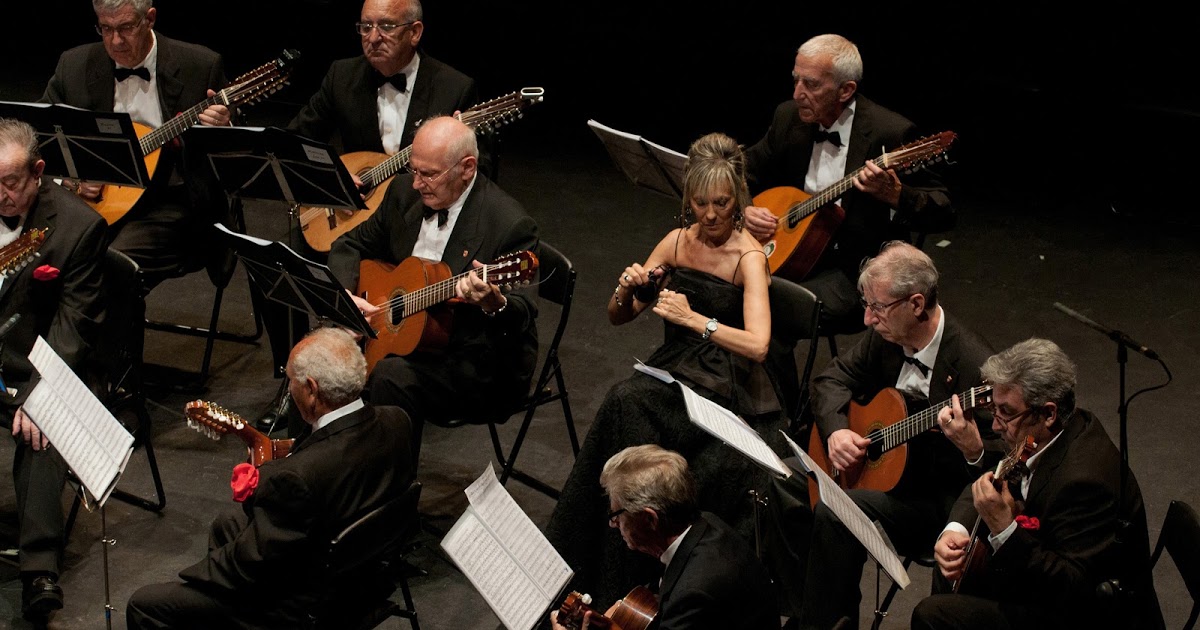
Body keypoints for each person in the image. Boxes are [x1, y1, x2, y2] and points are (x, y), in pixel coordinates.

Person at [544, 132, 785, 610]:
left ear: (737, 198)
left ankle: (629, 573)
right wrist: (629, 288)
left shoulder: (749, 257)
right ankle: (585, 562)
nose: (711, 215)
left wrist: (696, 320)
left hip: (728, 385)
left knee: (629, 403)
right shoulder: (677, 241)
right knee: (623, 402)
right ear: (687, 199)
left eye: (721, 203)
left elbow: (757, 346)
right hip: (675, 372)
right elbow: (619, 315)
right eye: (700, 203)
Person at [125, 326, 415, 629]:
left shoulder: (297, 478)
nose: (289, 389)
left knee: (146, 604)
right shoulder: (397, 420)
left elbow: (246, 565)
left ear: (312, 390)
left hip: (308, 609)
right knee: (228, 524)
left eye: (290, 380)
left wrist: (193, 578)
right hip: (367, 579)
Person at [783, 241, 1003, 629]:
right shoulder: (885, 335)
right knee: (780, 479)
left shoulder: (976, 368)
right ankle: (805, 611)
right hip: (886, 475)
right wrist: (836, 433)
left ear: (916, 305)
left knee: (837, 510)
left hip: (936, 500)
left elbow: (1002, 460)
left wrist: (972, 448)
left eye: (877, 308)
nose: (867, 320)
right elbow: (830, 379)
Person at [911, 338, 1164, 630]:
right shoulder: (1045, 435)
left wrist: (1005, 530)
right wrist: (953, 532)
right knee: (953, 567)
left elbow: (1070, 587)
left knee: (934, 615)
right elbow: (992, 477)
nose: (994, 425)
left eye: (1005, 412)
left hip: (1082, 615)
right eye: (994, 409)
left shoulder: (1085, 481)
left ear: (1048, 413)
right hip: (1044, 583)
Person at [326, 115, 537, 461]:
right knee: (320, 350)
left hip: (475, 360)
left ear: (467, 168)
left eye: (429, 175)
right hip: (403, 337)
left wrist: (493, 304)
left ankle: (388, 494)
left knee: (389, 378)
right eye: (414, 171)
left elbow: (524, 314)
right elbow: (349, 245)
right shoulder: (402, 193)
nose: (416, 184)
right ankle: (312, 471)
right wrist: (347, 300)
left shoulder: (509, 223)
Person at [743, 33, 954, 332]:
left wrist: (896, 195)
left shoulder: (890, 133)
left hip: (854, 269)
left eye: (811, 84)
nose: (797, 94)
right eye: (796, 80)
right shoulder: (789, 117)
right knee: (720, 285)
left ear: (846, 90)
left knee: (766, 311)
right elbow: (743, 171)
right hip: (792, 250)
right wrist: (745, 208)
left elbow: (943, 211)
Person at [40, 0, 236, 290]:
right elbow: (37, 139)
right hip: (95, 204)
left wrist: (222, 128)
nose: (115, 40)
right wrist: (71, 181)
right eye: (105, 28)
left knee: (111, 268)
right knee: (43, 263)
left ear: (150, 19)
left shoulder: (201, 65)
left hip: (172, 206)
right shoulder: (75, 64)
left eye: (126, 27)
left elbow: (236, 154)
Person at [0, 117, 107, 620]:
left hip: (40, 364)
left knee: (44, 427)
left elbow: (75, 325)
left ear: (38, 172)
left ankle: (38, 567)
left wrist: (38, 394)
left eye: (10, 182)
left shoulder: (78, 227)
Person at [549, 445, 778, 630]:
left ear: (650, 519)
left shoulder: (693, 593)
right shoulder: (707, 523)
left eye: (617, 515)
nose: (613, 524)